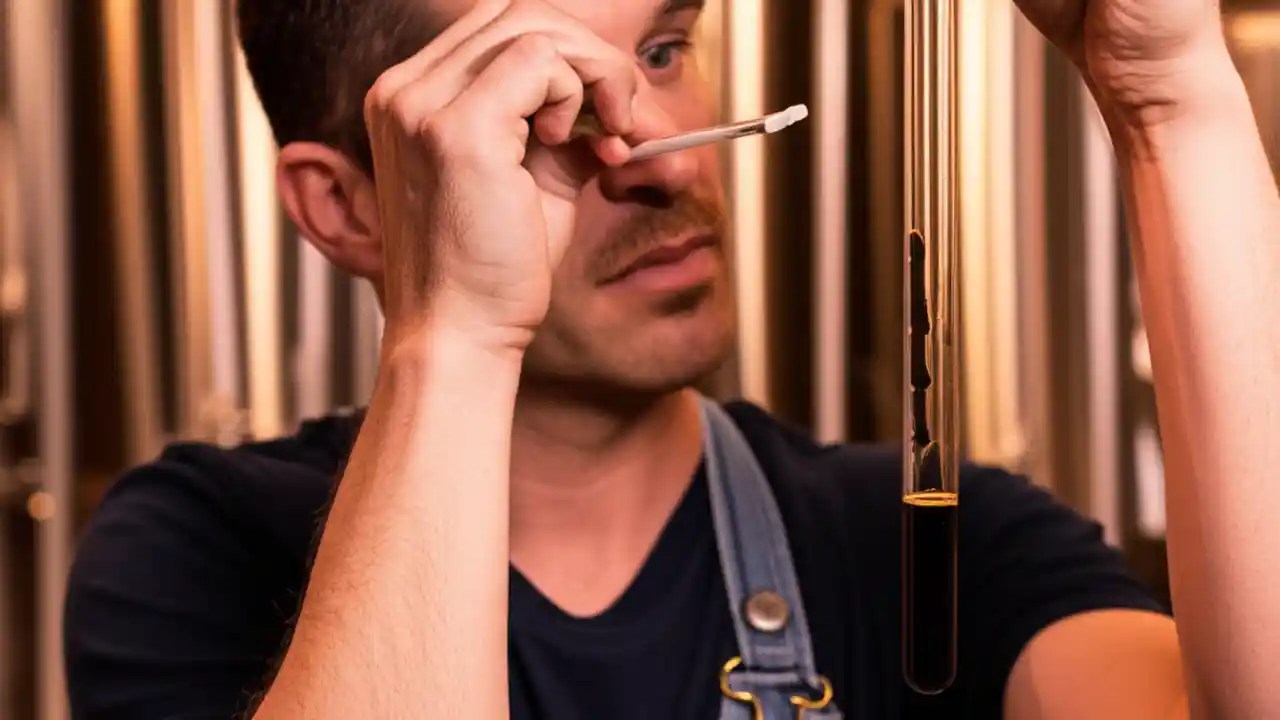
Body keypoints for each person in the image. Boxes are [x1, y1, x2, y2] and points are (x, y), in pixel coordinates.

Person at [63, 0, 1280, 717]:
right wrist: (458, 335)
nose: (664, 156)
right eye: (539, 104)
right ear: (347, 211)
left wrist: (1170, 97)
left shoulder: (928, 545)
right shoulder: (194, 548)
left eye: (657, 50)